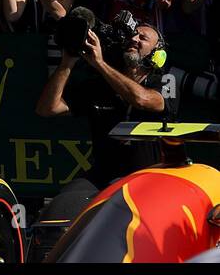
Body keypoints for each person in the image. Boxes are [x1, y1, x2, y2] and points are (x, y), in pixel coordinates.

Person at [36, 17, 175, 188]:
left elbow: (143, 100)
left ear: (157, 53)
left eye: (142, 38)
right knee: (69, 198)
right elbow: (47, 108)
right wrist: (68, 60)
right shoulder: (100, 85)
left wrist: (100, 63)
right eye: (132, 35)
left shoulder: (167, 80)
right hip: (104, 177)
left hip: (151, 179)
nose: (134, 39)